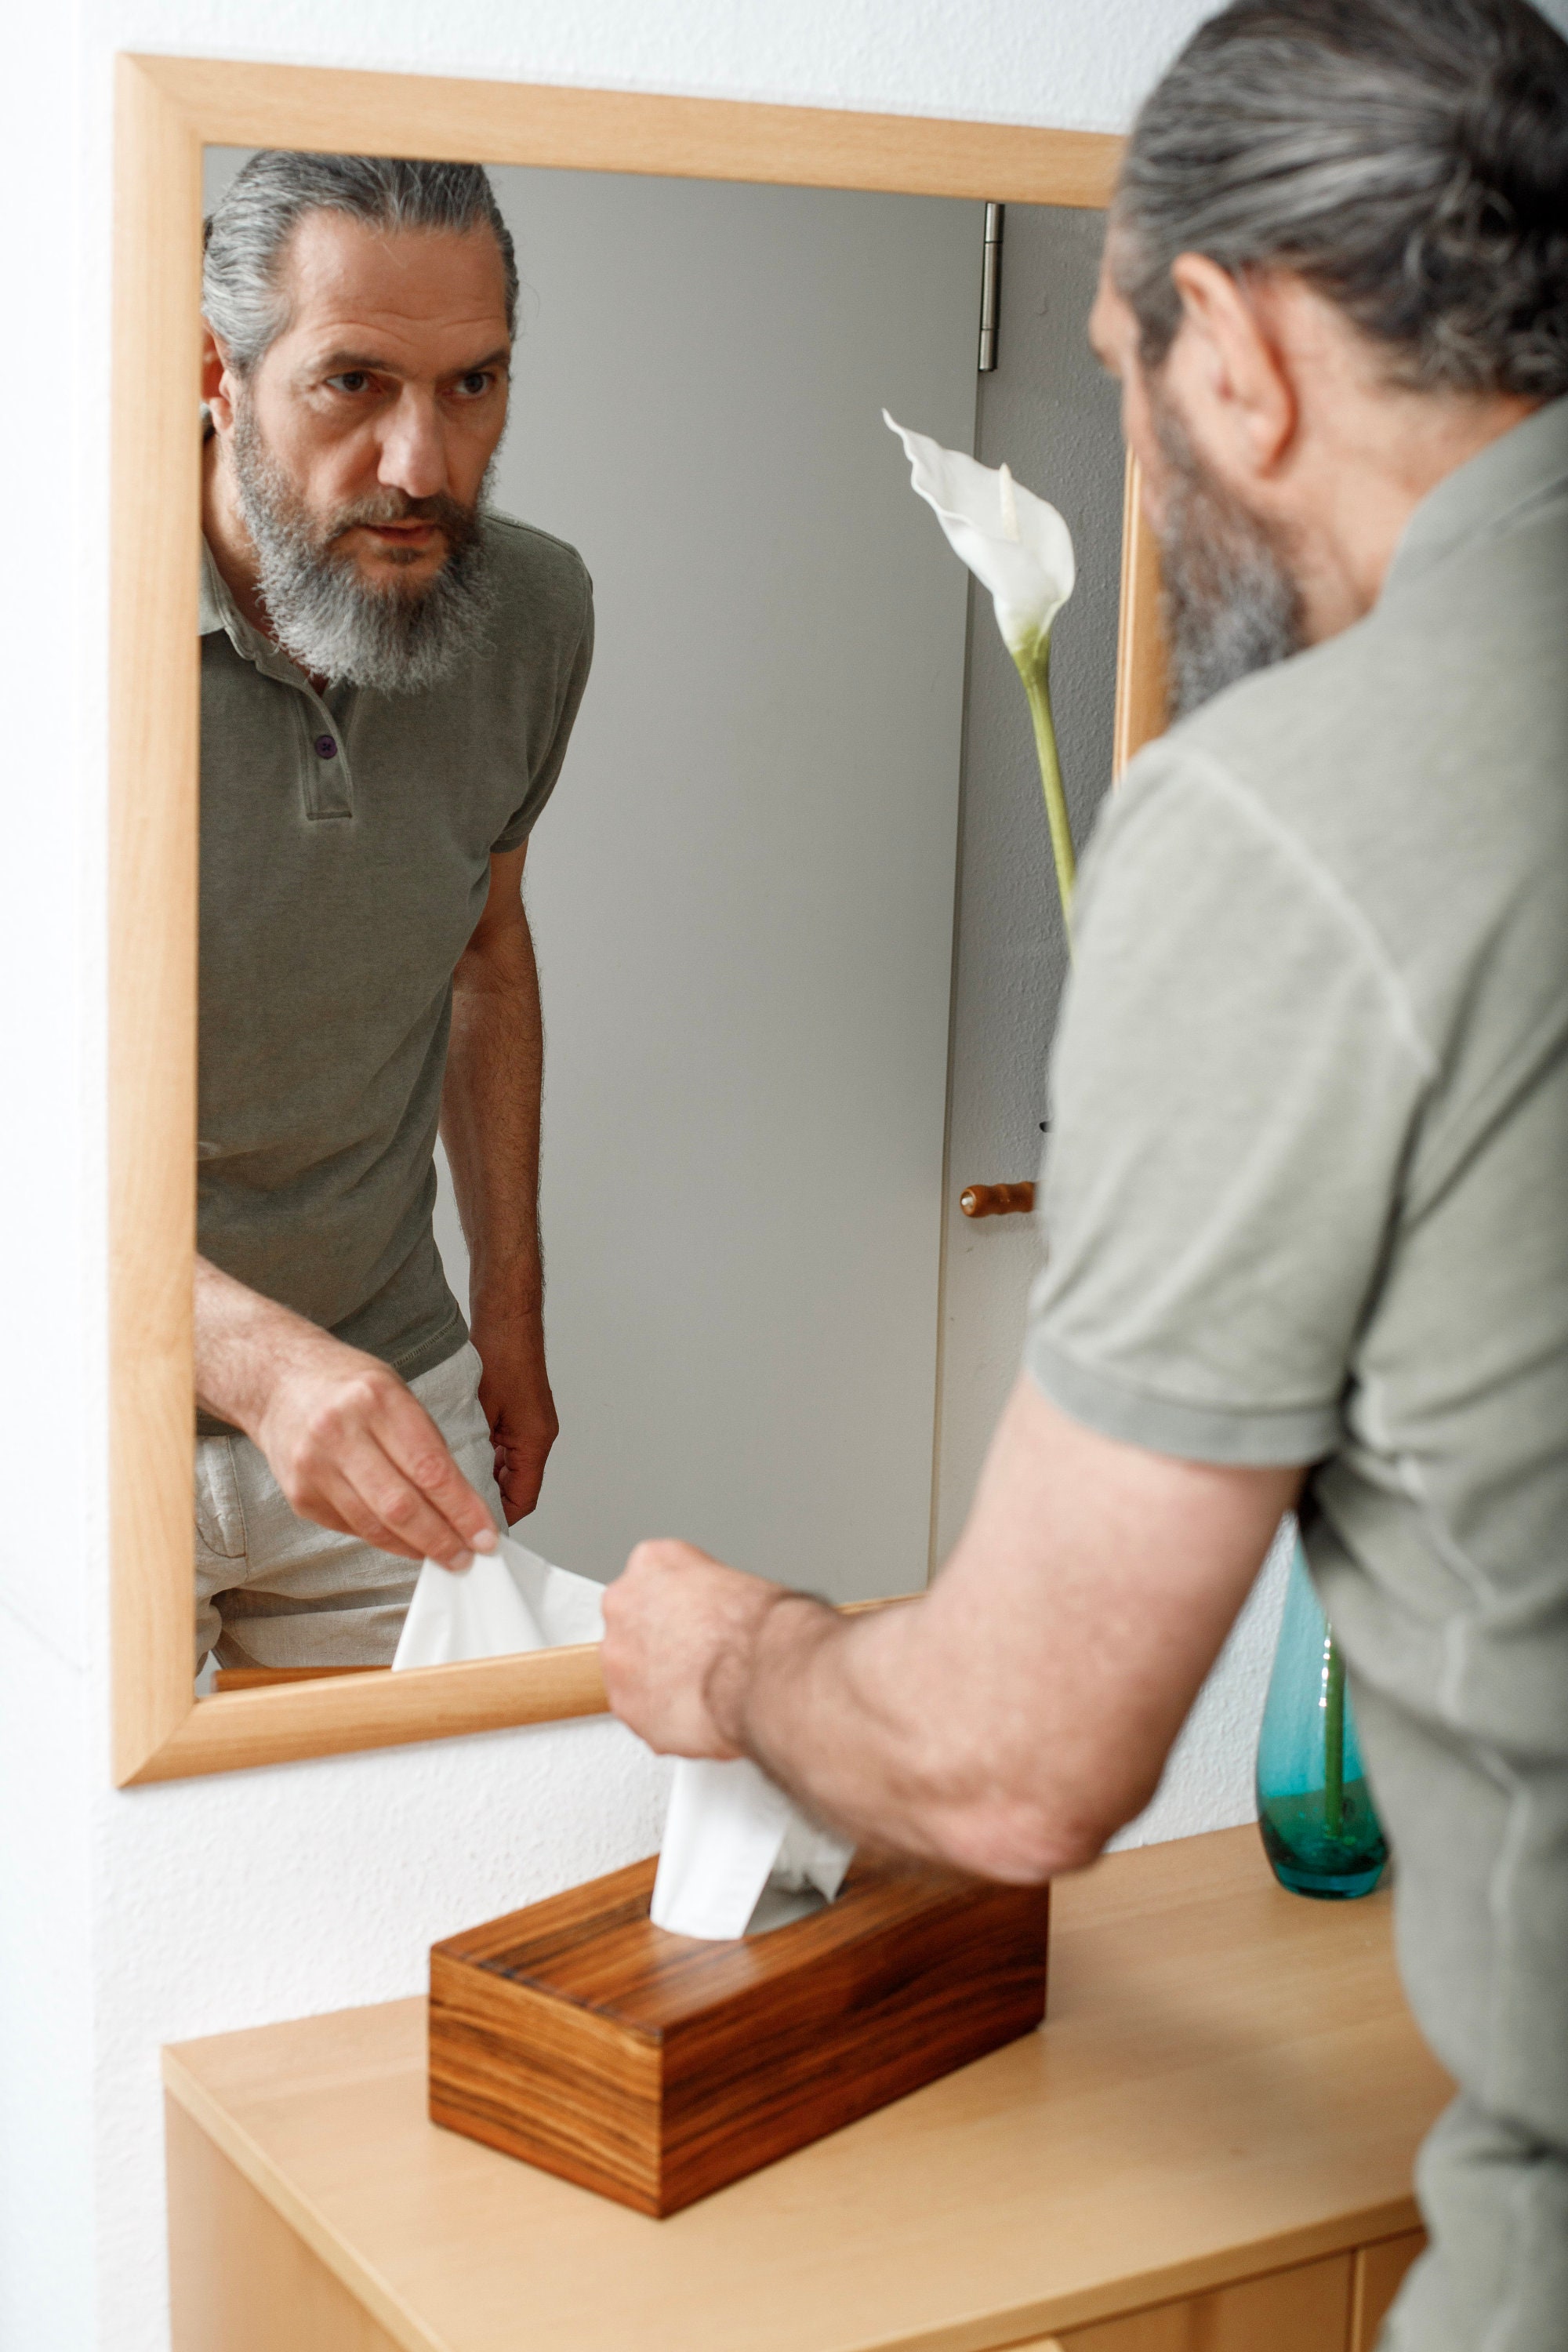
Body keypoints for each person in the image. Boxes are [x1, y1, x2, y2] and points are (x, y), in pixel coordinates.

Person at [601, 2, 1568, 2342]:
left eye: (1125, 373)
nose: (1135, 463)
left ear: (1231, 353)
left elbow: (1023, 1766)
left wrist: (737, 1658)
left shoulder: (1295, 815)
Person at [194, 154, 593, 1670]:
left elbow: (485, 949)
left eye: (473, 382)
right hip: (71, 1399)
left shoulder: (534, 612)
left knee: (450, 1866)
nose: (424, 461)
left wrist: (509, 1303)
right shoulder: (54, 611)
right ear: (218, 375)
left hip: (386, 1381)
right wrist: (251, 1362)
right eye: (352, 383)